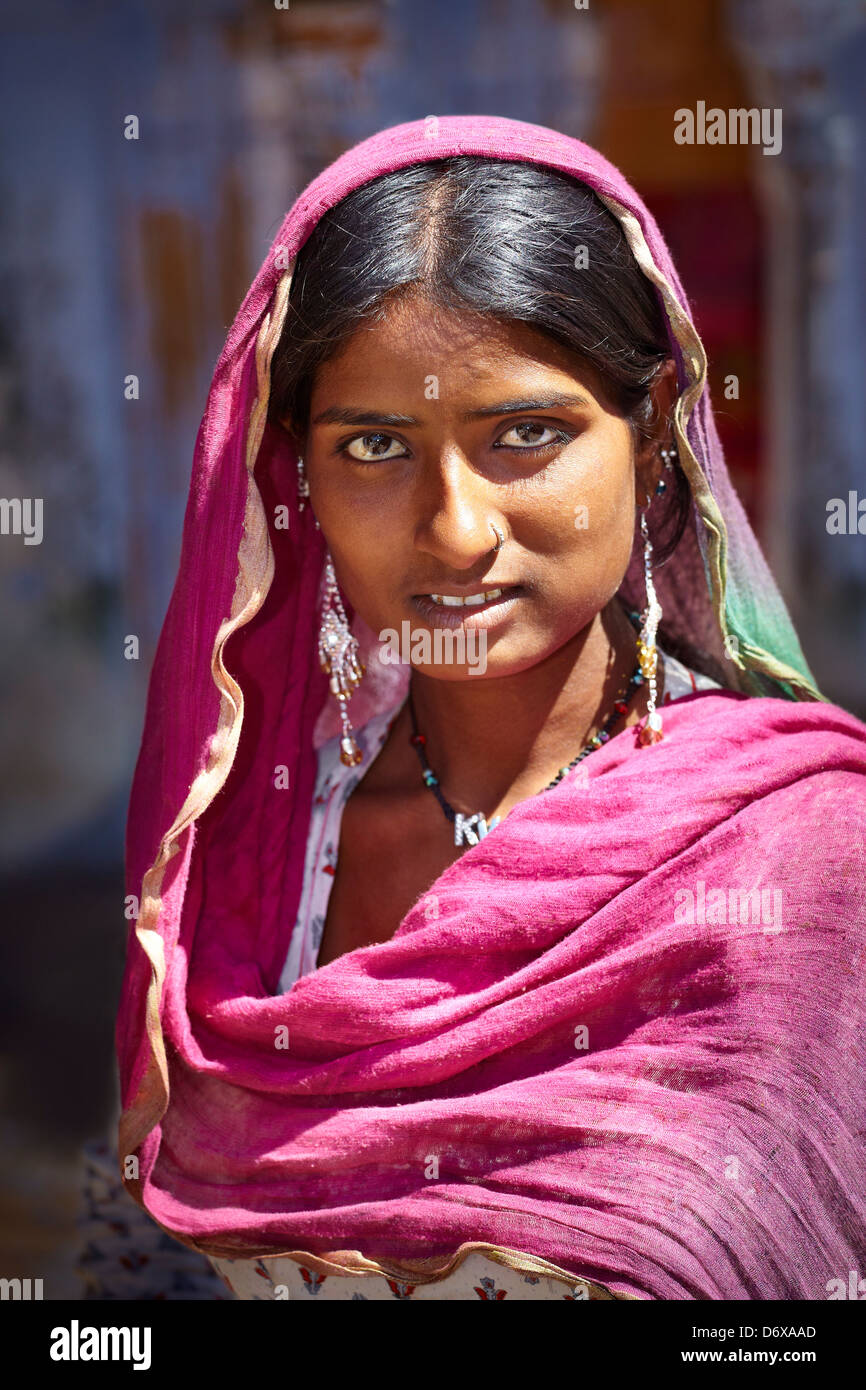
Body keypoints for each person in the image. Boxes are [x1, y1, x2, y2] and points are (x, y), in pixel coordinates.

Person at [112, 115, 866, 1301]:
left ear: (654, 429)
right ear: (294, 475)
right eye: (374, 444)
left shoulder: (804, 859)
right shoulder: (258, 854)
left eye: (527, 434)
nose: (455, 531)